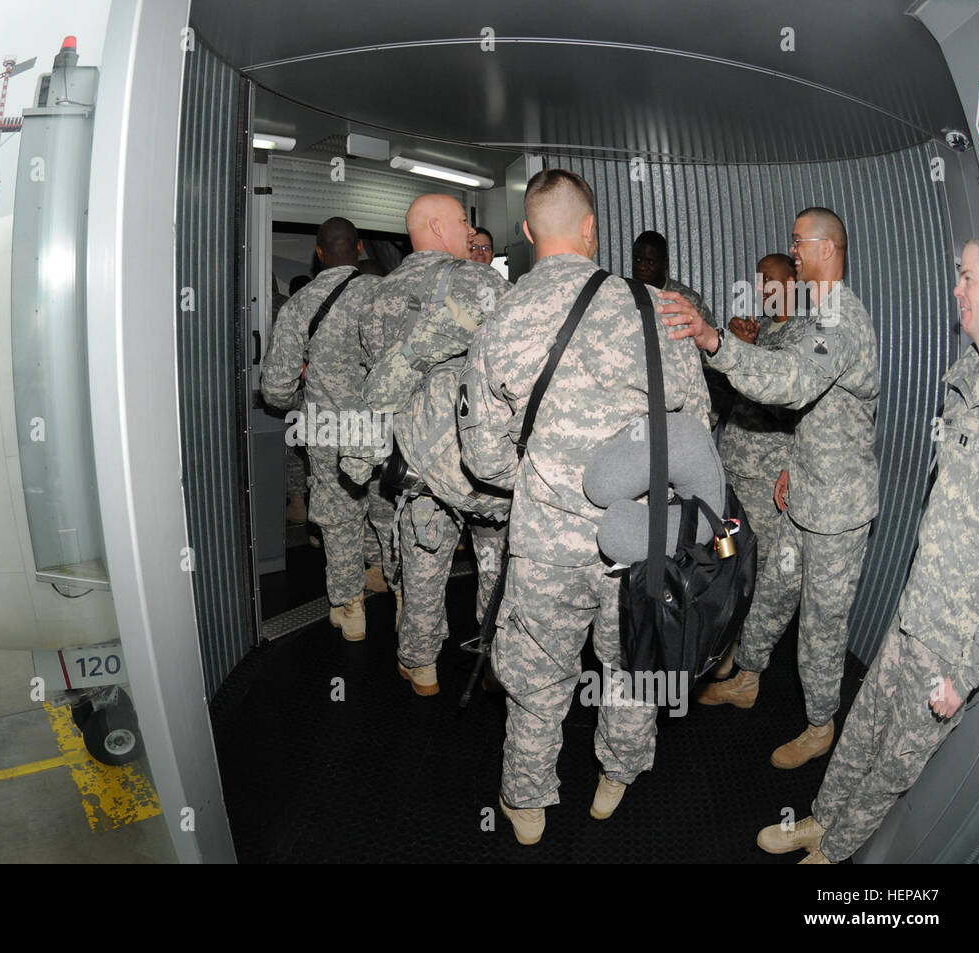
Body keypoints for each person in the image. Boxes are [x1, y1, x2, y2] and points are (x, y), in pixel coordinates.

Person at [459, 169, 710, 842]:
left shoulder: (504, 313)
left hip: (545, 540)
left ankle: (528, 800)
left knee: (539, 670)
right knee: (632, 659)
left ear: (531, 234)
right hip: (637, 531)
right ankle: (618, 773)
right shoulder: (659, 307)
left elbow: (480, 453)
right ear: (593, 227)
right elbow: (696, 433)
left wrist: (537, 480)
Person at [756, 237, 979, 863]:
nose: (956, 290)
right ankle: (821, 821)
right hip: (915, 612)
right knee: (860, 732)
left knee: (893, 765)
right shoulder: (965, 382)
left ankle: (835, 856)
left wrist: (967, 671)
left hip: (954, 645)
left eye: (967, 277)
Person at [666, 207, 879, 771]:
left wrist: (714, 342)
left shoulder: (841, 321)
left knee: (821, 622)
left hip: (838, 509)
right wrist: (794, 458)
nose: (794, 252)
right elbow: (811, 404)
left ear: (827, 249)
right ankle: (749, 677)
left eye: (799, 243)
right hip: (805, 486)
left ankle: (819, 724)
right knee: (774, 592)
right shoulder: (814, 318)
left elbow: (790, 384)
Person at [358, 194, 513, 696]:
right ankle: (492, 658)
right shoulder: (481, 281)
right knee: (494, 559)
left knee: (423, 563)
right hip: (483, 460)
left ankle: (420, 665)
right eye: (464, 221)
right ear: (435, 225)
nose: (471, 232)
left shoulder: (377, 296)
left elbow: (378, 379)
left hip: (418, 461)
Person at [260, 217, 383, 641]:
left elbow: (276, 389)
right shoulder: (387, 295)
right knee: (384, 507)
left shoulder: (298, 305)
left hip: (329, 430)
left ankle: (351, 609)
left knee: (340, 518)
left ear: (318, 252)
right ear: (361, 247)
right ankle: (388, 576)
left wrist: (302, 400)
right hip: (384, 428)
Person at [711, 252, 804, 678]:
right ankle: (723, 646)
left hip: (767, 479)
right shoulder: (759, 329)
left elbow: (790, 408)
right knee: (727, 563)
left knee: (760, 574)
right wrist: (733, 347)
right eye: (758, 279)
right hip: (733, 468)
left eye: (770, 279)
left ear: (794, 280)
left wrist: (744, 355)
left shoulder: (803, 337)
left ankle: (747, 665)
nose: (763, 286)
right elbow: (728, 394)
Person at [632, 230, 716, 328]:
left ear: (665, 263)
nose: (642, 267)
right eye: (637, 260)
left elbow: (709, 336)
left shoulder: (687, 300)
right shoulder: (624, 295)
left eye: (650, 262)